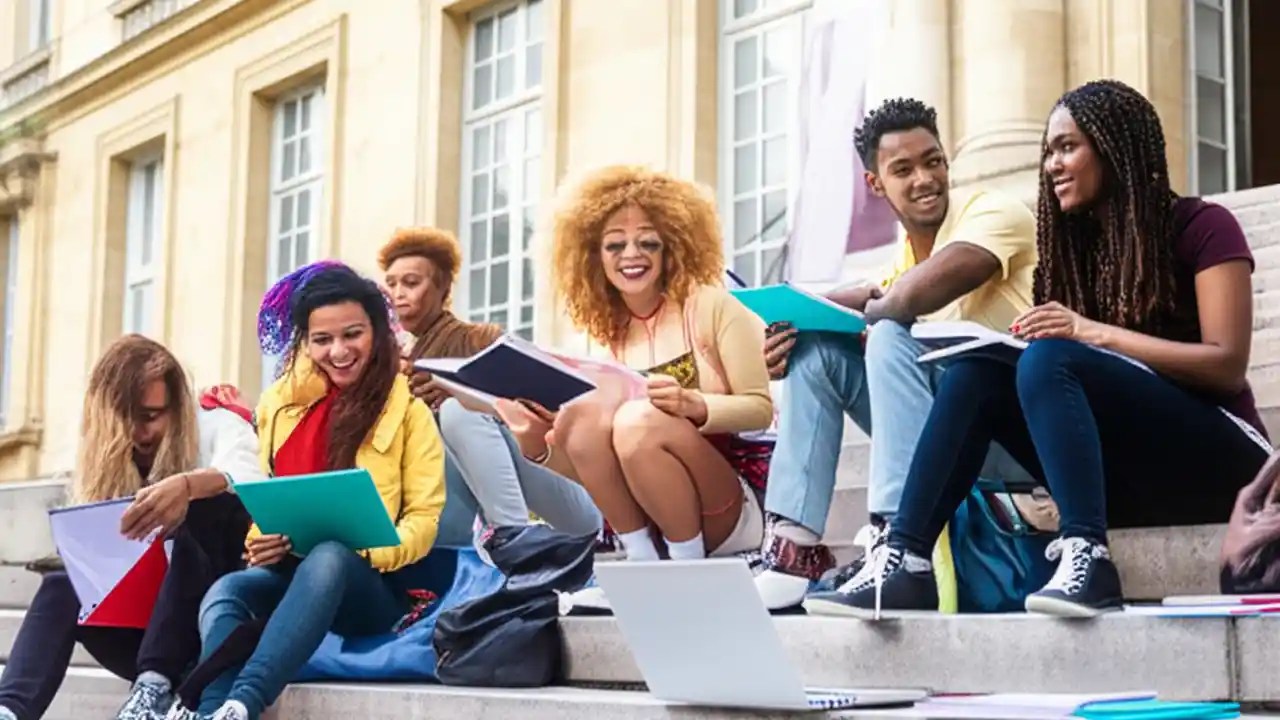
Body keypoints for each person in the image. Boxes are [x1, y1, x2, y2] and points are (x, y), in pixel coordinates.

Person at [805, 79, 1273, 619]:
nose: (1052, 164)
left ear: (1115, 145)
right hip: (1130, 480)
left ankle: (1088, 556)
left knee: (1052, 357)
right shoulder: (1076, 257)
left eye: (1068, 147)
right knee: (976, 373)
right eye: (1048, 151)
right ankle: (906, 560)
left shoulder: (1203, 226)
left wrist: (1092, 333)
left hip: (1226, 464)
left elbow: (1225, 365)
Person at [754, 97, 1040, 608]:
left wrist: (851, 305)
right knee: (815, 351)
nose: (924, 178)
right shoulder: (901, 260)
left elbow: (909, 296)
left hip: (1015, 435)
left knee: (886, 332)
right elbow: (882, 292)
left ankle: (896, 543)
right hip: (948, 441)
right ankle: (791, 551)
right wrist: (793, 327)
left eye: (932, 161)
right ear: (875, 184)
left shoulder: (995, 213)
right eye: (903, 169)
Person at [178, 262, 446, 720]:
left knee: (330, 556)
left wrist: (369, 552)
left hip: (373, 589)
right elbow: (269, 495)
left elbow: (424, 518)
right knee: (228, 591)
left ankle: (243, 702)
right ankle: (209, 711)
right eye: (322, 339)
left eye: (352, 334)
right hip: (290, 574)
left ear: (378, 332)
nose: (338, 351)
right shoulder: (279, 405)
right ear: (304, 341)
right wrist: (259, 541)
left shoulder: (408, 410)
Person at [501, 165, 773, 582]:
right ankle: (642, 559)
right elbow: (593, 467)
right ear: (593, 256)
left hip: (726, 511)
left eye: (648, 242)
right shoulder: (599, 341)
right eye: (614, 245)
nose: (632, 255)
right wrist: (536, 445)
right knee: (582, 414)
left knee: (636, 419)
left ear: (672, 249)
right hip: (646, 520)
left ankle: (687, 572)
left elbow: (758, 409)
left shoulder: (712, 306)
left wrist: (693, 404)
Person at [0, 335, 262, 720]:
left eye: (151, 416)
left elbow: (249, 480)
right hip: (140, 629)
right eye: (125, 419)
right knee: (63, 580)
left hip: (214, 628)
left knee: (205, 506)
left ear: (179, 407)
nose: (139, 433)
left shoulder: (217, 424)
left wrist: (187, 486)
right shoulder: (106, 449)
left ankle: (153, 688)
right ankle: (10, 710)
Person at [379, 228, 602, 547]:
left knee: (458, 411)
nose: (399, 293)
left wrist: (463, 394)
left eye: (411, 283)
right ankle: (503, 541)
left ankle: (513, 539)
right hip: (450, 511)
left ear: (443, 288)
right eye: (391, 284)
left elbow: (554, 410)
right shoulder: (388, 361)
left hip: (559, 494)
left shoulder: (484, 340)